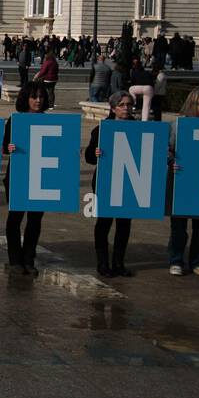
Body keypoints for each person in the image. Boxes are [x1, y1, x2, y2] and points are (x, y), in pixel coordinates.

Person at [167, 86, 199, 278]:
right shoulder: (179, 125)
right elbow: (168, 149)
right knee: (179, 227)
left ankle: (197, 262)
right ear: (192, 104)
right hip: (182, 181)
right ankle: (176, 260)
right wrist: (171, 162)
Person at [87, 90, 136, 277]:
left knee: (124, 224)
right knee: (104, 223)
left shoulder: (139, 129)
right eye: (122, 104)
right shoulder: (102, 129)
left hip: (129, 180)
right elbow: (89, 157)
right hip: (105, 181)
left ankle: (118, 262)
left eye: (129, 104)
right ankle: (102, 263)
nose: (126, 108)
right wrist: (96, 153)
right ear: (113, 108)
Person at [2, 82, 50, 276]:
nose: (38, 101)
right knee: (15, 218)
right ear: (26, 99)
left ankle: (29, 258)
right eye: (33, 97)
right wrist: (9, 148)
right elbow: (4, 146)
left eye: (41, 97)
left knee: (35, 219)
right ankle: (15, 259)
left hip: (40, 176)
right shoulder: (15, 120)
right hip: (18, 176)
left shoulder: (50, 122)